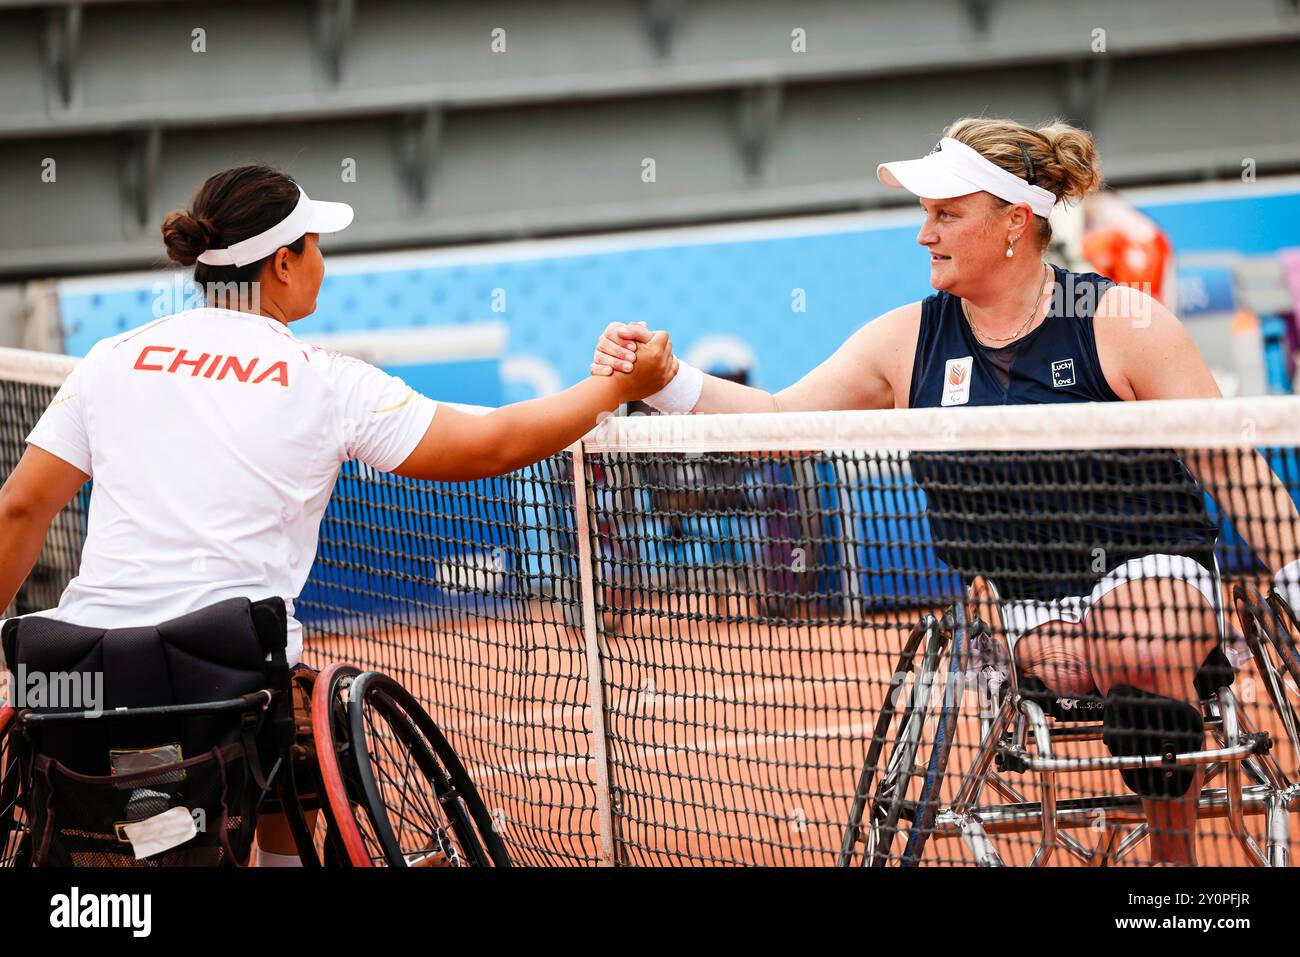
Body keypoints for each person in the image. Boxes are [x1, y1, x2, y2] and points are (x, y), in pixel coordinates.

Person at [590, 117, 1300, 865]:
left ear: (1014, 223)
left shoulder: (1123, 322)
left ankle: (1174, 872)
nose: (924, 234)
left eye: (946, 214)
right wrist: (665, 382)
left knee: (1142, 643)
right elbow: (776, 421)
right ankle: (1120, 683)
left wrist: (1296, 579)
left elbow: (1230, 466)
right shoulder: (907, 341)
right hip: (1034, 602)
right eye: (925, 214)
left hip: (1155, 575)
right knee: (1076, 662)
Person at [0, 163, 675, 866]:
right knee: (288, 719)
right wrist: (621, 386)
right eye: (317, 244)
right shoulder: (324, 382)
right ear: (284, 264)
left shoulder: (110, 360)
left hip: (76, 684)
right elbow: (493, 442)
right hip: (222, 685)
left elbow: (19, 508)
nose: (325, 261)